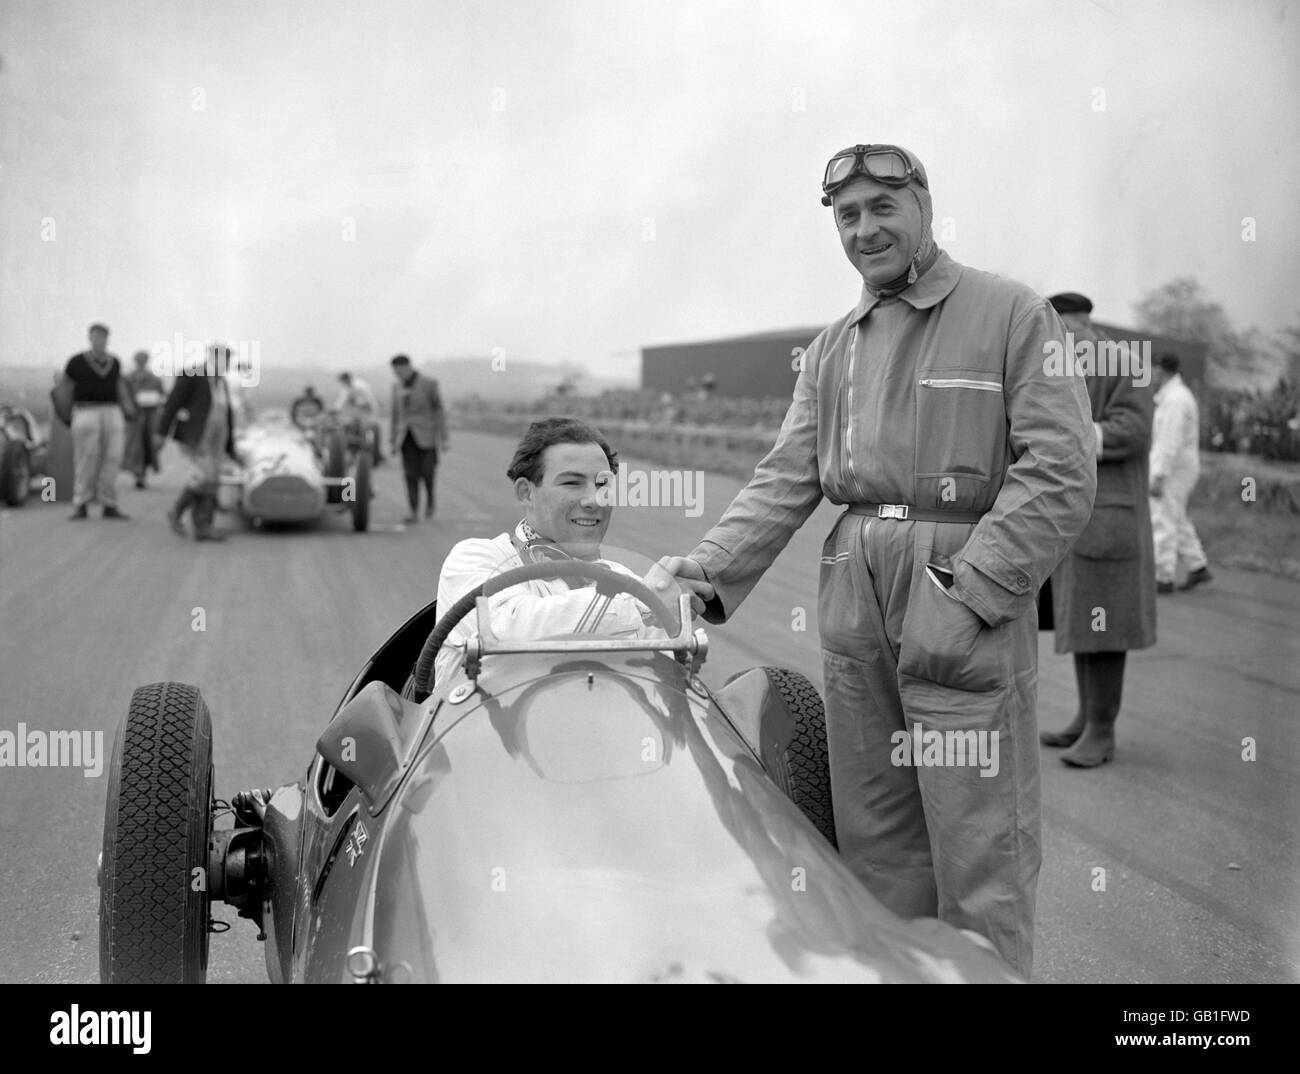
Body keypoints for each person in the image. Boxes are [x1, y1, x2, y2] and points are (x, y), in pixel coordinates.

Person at [653, 144, 1096, 977]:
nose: (865, 229)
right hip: (856, 600)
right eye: (847, 216)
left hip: (960, 598)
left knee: (978, 852)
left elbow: (1062, 471)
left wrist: (970, 591)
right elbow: (788, 476)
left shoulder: (1009, 313)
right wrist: (705, 569)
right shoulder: (832, 348)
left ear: (924, 205)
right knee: (876, 843)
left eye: (882, 207)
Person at [434, 417, 659, 684]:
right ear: (526, 492)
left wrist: (678, 600)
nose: (593, 500)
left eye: (602, 484)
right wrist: (640, 607)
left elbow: (665, 683)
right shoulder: (475, 559)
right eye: (572, 483)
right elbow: (509, 629)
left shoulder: (632, 584)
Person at [1038, 293, 1156, 768]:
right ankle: (1086, 719)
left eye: (1064, 331)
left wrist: (1067, 435)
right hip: (1076, 520)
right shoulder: (1064, 367)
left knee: (1105, 629)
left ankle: (1102, 733)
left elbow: (1132, 428)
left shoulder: (1127, 364)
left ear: (1085, 324)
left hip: (1110, 521)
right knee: (1083, 623)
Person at [156, 343, 241, 542]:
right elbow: (173, 403)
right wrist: (161, 432)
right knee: (203, 478)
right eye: (223, 359)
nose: (226, 364)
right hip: (196, 436)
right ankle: (177, 512)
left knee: (212, 481)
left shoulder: (222, 382)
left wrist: (230, 447)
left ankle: (204, 526)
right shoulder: (192, 374)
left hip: (216, 440)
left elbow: (226, 414)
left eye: (228, 360)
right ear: (212, 358)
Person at [59, 323, 136, 520]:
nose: (99, 340)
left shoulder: (114, 362)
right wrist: (66, 415)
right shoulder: (76, 362)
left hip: (111, 411)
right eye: (95, 336)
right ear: (89, 338)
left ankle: (108, 503)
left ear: (107, 339)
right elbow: (65, 389)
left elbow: (120, 388)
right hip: (86, 410)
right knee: (86, 459)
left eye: (102, 336)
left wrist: (129, 410)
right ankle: (81, 503)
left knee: (113, 457)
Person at [1150, 353, 1211, 593]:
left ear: (1160, 370)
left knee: (1163, 518)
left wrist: (1159, 474)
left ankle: (1163, 577)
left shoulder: (1175, 400)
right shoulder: (1177, 396)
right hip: (1180, 467)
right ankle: (1197, 565)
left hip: (1174, 469)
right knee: (1176, 516)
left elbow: (1169, 441)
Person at [389, 354, 449, 523]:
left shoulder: (429, 384)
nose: (397, 374)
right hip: (405, 438)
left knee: (428, 473)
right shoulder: (396, 387)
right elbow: (395, 415)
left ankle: (430, 502)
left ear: (407, 367)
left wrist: (443, 437)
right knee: (410, 475)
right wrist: (393, 440)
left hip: (426, 437)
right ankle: (413, 510)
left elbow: (439, 411)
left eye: (398, 371)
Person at [122, 350, 165, 489]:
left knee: (147, 446)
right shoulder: (128, 379)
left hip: (150, 418)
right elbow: (123, 397)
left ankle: (142, 474)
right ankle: (138, 474)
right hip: (134, 418)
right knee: (135, 447)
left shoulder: (154, 379)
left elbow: (162, 397)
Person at [332, 371, 384, 463]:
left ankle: (373, 453)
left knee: (369, 431)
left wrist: (371, 409)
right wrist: (336, 409)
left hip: (366, 412)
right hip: (355, 413)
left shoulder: (360, 386)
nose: (343, 383)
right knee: (349, 427)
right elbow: (341, 401)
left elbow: (370, 399)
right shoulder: (347, 388)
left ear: (347, 379)